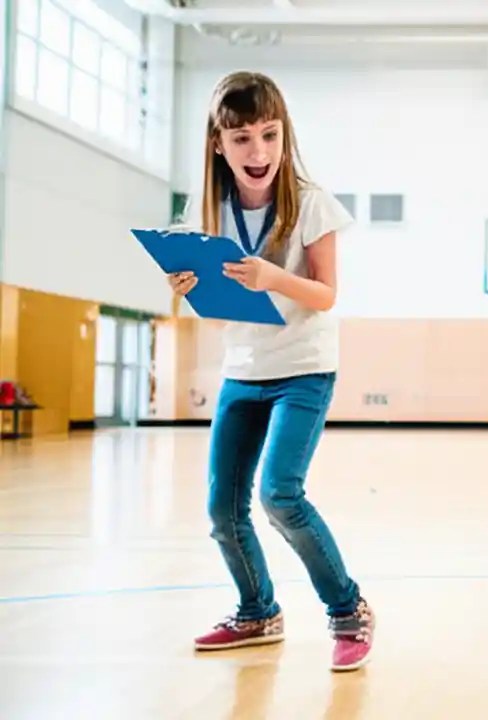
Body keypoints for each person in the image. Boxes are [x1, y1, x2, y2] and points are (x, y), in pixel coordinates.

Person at [169, 71, 376, 671]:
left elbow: (326, 293)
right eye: (241, 139)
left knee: (280, 494)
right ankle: (256, 611)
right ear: (217, 144)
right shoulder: (205, 209)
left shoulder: (311, 202)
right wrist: (188, 288)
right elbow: (217, 313)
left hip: (304, 369)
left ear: (285, 136)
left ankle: (348, 609)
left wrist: (272, 276)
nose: (258, 152)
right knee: (221, 508)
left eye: (269, 135)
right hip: (243, 367)